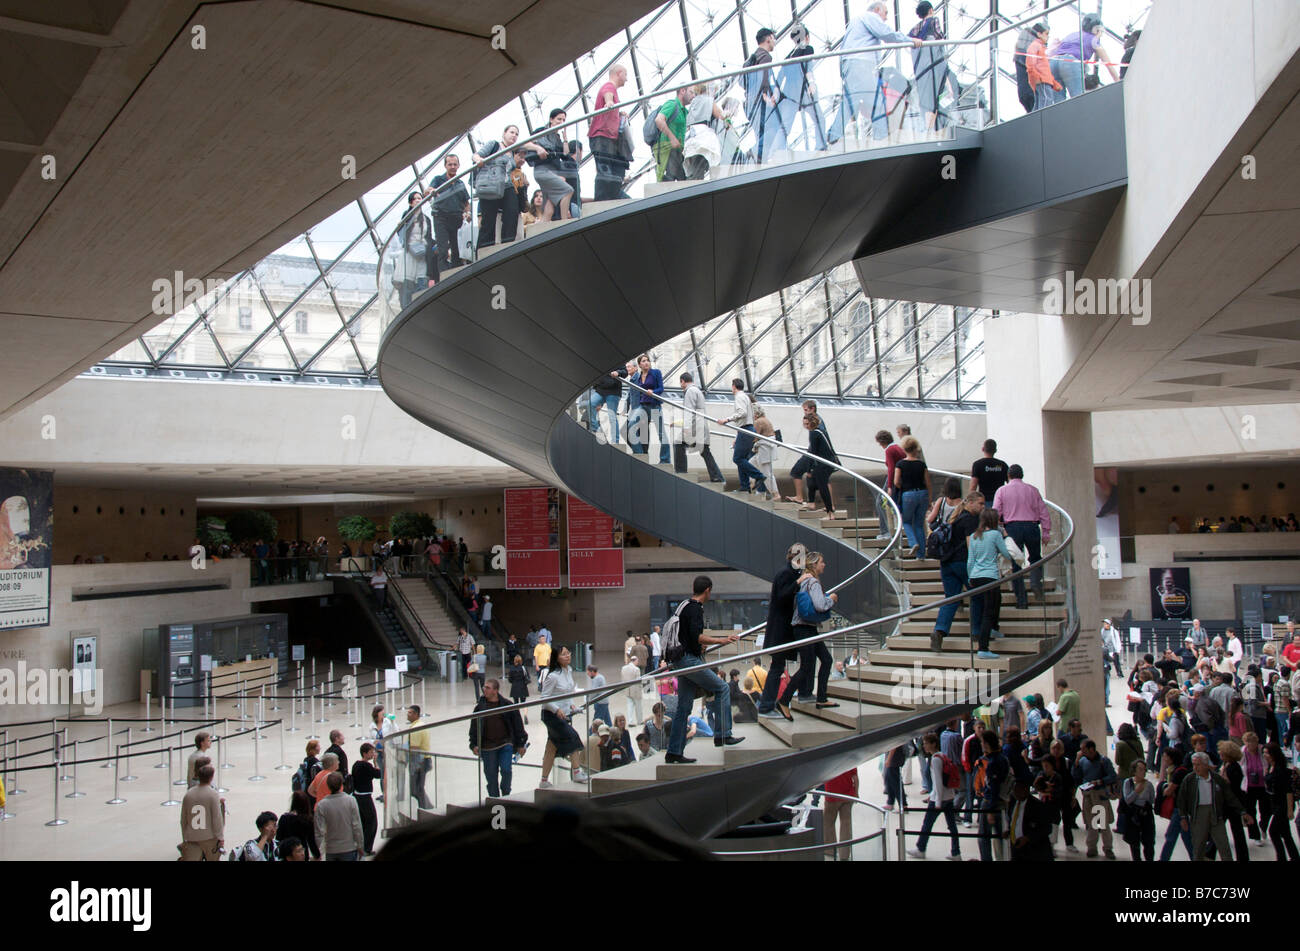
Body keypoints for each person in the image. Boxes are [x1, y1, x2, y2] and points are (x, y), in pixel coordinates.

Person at [664, 576, 744, 763]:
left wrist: (698, 645)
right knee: (722, 687)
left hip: (680, 659)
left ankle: (673, 753)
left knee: (683, 707)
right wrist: (721, 640)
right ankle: (723, 734)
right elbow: (696, 636)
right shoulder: (696, 609)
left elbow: (688, 637)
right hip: (687, 661)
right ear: (708, 590)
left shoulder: (684, 604)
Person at [836, 2, 922, 142]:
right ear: (877, 10)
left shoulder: (856, 23)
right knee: (877, 103)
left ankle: (834, 135)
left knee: (852, 102)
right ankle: (881, 139)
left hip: (851, 65)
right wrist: (910, 40)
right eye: (886, 13)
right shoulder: (870, 16)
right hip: (860, 64)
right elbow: (887, 34)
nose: (886, 17)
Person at [777, 551, 838, 716]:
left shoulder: (804, 581)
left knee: (826, 659)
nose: (824, 565)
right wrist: (831, 599)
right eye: (822, 562)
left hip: (805, 628)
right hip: (805, 628)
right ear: (814, 565)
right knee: (807, 666)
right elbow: (820, 606)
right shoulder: (813, 582)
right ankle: (783, 700)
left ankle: (822, 697)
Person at [758, 543, 805, 719]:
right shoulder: (787, 574)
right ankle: (766, 706)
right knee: (777, 669)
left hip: (781, 630)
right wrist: (798, 583)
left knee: (777, 668)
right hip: (780, 630)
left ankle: (768, 705)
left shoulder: (790, 573)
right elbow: (782, 596)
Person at [992, 465, 1049, 608]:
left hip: (1012, 527)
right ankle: (1036, 583)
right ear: (1022, 475)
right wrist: (1046, 531)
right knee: (1035, 557)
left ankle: (1022, 600)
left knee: (1016, 564)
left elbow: (996, 511)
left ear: (1008, 476)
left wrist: (996, 529)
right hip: (1032, 526)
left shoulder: (1002, 490)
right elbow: (1043, 512)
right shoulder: (1033, 490)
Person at [1177, 751, 1246, 861]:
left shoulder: (1217, 779)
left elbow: (1230, 796)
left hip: (1215, 814)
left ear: (1205, 764)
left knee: (1224, 846)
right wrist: (1183, 817)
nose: (1195, 767)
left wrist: (1243, 811)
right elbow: (1181, 800)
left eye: (1198, 764)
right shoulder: (1189, 780)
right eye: (1193, 764)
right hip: (1198, 815)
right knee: (1198, 847)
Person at [537, 646, 589, 787]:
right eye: (563, 654)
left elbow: (568, 692)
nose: (567, 656)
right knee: (573, 737)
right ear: (557, 658)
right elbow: (544, 698)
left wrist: (572, 705)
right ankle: (577, 771)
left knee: (551, 747)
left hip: (564, 715)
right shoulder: (553, 676)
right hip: (552, 716)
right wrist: (556, 709)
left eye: (568, 653)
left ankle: (544, 780)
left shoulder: (569, 671)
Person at [470, 678, 528, 800]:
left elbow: (518, 725)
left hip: (505, 744)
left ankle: (506, 793)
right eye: (484, 687)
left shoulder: (507, 705)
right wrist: (474, 744)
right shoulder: (480, 708)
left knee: (506, 770)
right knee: (491, 776)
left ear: (495, 691)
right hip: (487, 747)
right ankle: (494, 800)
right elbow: (474, 728)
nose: (484, 689)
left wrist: (521, 743)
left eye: (487, 687)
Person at [966, 508, 1013, 659]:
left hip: (975, 576)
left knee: (995, 601)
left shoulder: (974, 536)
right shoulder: (995, 535)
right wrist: (1006, 537)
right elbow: (1007, 554)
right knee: (988, 611)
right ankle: (983, 647)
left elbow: (970, 560)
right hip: (990, 576)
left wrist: (970, 577)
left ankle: (993, 627)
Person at [909, 732, 961, 860]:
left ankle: (921, 848)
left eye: (926, 743)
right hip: (948, 796)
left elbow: (938, 782)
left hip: (939, 798)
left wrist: (937, 801)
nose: (924, 746)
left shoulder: (936, 759)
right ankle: (956, 852)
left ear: (933, 744)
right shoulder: (942, 756)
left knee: (927, 824)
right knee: (952, 826)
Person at [1049, 13, 1120, 100]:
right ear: (1097, 28)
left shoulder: (1073, 35)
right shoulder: (1093, 40)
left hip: (1053, 63)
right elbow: (1107, 63)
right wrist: (1118, 81)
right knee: (1078, 98)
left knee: (1058, 101)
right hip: (1070, 63)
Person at [521, 110, 573, 221]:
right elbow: (525, 144)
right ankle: (565, 222)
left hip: (552, 172)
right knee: (568, 190)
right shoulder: (541, 131)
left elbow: (565, 154)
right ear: (551, 119)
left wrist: (565, 139)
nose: (561, 122)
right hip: (543, 170)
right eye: (559, 119)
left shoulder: (557, 138)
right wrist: (538, 148)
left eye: (563, 120)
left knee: (549, 209)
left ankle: (540, 231)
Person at [717, 378, 766, 494]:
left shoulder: (739, 397)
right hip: (746, 429)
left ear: (734, 386)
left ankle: (758, 476)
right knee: (742, 459)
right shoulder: (745, 397)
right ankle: (744, 486)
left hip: (745, 429)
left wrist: (727, 419)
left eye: (732, 386)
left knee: (737, 458)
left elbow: (742, 413)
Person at [588, 64, 630, 200]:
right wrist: (609, 102)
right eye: (626, 74)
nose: (627, 79)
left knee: (609, 173)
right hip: (602, 137)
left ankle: (608, 200)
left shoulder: (612, 89)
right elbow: (607, 94)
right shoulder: (610, 86)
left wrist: (619, 113)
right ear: (619, 73)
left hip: (607, 138)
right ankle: (601, 202)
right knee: (605, 172)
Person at [907, 3, 951, 131]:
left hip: (922, 69)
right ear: (931, 10)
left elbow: (908, 41)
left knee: (927, 98)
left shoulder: (915, 28)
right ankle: (937, 127)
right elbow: (939, 36)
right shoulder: (934, 20)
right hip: (934, 65)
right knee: (942, 93)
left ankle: (928, 128)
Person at [1072, 738, 1118, 859]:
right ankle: (1091, 847)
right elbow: (1076, 776)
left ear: (1091, 749)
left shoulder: (1104, 761)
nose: (1081, 752)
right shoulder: (1082, 761)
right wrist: (1076, 763)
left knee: (1103, 824)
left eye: (1083, 750)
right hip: (1088, 796)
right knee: (1090, 823)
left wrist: (1099, 781)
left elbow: (1112, 776)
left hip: (1099, 795)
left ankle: (1108, 848)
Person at [680, 371, 725, 482]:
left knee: (679, 444)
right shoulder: (697, 391)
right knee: (705, 452)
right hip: (701, 427)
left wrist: (686, 427)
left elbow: (688, 410)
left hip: (696, 428)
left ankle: (681, 471)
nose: (680, 386)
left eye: (680, 383)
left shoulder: (690, 391)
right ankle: (717, 477)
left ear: (683, 381)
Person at [741, 28, 778, 163]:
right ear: (768, 38)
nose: (775, 41)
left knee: (760, 134)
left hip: (749, 103)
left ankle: (758, 159)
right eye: (774, 38)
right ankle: (754, 152)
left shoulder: (752, 58)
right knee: (773, 129)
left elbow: (742, 82)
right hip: (759, 102)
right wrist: (765, 95)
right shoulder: (765, 56)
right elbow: (764, 76)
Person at [428, 153, 470, 269]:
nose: (452, 166)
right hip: (441, 217)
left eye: (454, 164)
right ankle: (443, 272)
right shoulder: (438, 179)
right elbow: (428, 190)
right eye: (450, 164)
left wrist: (468, 213)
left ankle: (456, 269)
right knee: (443, 247)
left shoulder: (460, 183)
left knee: (456, 247)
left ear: (458, 166)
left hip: (456, 219)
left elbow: (466, 202)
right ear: (445, 166)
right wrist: (432, 191)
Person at [392, 192, 434, 308]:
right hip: (409, 253)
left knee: (422, 280)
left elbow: (429, 237)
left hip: (422, 252)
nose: (417, 200)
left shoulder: (426, 219)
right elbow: (401, 233)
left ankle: (420, 306)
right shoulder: (407, 216)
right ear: (410, 202)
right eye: (415, 199)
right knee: (408, 282)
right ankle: (407, 307)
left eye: (419, 198)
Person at [312, 771, 364, 862]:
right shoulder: (350, 801)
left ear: (328, 786)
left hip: (331, 849)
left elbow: (319, 831)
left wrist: (319, 851)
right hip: (348, 847)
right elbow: (357, 825)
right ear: (341, 784)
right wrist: (360, 845)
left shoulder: (322, 805)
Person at [628, 353, 670, 463]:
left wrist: (653, 392)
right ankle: (640, 454)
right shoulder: (639, 376)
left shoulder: (656, 373)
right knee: (631, 426)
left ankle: (665, 460)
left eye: (647, 360)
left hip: (655, 406)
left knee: (661, 434)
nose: (646, 362)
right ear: (639, 365)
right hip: (642, 406)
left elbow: (661, 388)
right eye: (643, 361)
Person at [976, 730, 1009, 861]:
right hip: (1001, 800)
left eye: (983, 742)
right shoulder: (1003, 758)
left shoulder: (993, 763)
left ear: (987, 743)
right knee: (1000, 836)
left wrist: (990, 809)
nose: (981, 744)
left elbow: (993, 786)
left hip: (991, 802)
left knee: (984, 836)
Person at [179, 763, 223, 861]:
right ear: (211, 777)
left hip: (192, 837)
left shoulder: (189, 794)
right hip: (209, 837)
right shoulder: (213, 794)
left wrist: (184, 837)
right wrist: (220, 836)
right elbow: (217, 818)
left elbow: (183, 819)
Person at [893, 436, 930, 556]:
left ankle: (913, 542)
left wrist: (903, 486)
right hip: (922, 493)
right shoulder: (921, 464)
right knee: (919, 524)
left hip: (908, 494)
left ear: (904, 449)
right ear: (915, 448)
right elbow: (927, 482)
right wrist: (929, 498)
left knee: (907, 521)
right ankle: (921, 555)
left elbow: (896, 482)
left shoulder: (900, 464)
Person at [1263, 741, 1299, 860]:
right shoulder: (1270, 767)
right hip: (1276, 804)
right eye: (1264, 752)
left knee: (1273, 832)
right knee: (1285, 833)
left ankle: (1281, 857)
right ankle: (1295, 856)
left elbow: (1288, 791)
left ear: (1274, 754)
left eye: (1267, 753)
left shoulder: (1280, 770)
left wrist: (1290, 811)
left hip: (1284, 805)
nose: (1264, 755)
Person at [652, 84, 695, 181]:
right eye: (691, 92)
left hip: (677, 151)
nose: (693, 96)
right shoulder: (672, 104)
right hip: (667, 148)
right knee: (670, 180)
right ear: (682, 91)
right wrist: (672, 138)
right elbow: (659, 120)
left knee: (682, 180)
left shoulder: (685, 112)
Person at [800, 413, 840, 516]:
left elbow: (812, 452)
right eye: (804, 424)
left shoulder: (814, 433)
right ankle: (811, 502)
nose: (806, 426)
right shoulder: (820, 431)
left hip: (824, 464)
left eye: (807, 424)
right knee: (812, 481)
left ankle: (830, 512)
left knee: (823, 487)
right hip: (827, 461)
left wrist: (809, 469)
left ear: (812, 423)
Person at [1122, 760, 1157, 861]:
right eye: (1140, 769)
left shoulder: (1149, 785)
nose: (1143, 772)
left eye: (1144, 769)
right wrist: (1137, 791)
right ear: (1134, 771)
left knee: (1149, 841)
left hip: (1146, 815)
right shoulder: (1128, 783)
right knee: (1134, 842)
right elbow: (1127, 800)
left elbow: (1151, 800)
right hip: (1133, 815)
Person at [351, 743, 382, 855]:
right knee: (371, 822)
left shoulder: (356, 764)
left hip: (357, 796)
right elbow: (378, 774)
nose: (373, 754)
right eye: (371, 752)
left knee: (363, 822)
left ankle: (361, 846)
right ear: (365, 753)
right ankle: (367, 848)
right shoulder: (366, 766)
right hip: (365, 797)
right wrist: (375, 763)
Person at [823, 766, 859, 860]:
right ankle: (845, 854)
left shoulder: (829, 759)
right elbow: (855, 777)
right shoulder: (850, 758)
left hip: (832, 795)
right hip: (847, 795)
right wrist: (856, 793)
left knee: (828, 823)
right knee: (846, 824)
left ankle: (830, 850)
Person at [404, 705, 433, 810]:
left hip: (419, 761)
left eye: (410, 712)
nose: (408, 714)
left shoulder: (416, 728)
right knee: (418, 788)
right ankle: (427, 807)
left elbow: (414, 748)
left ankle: (426, 808)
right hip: (422, 760)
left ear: (416, 714)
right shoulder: (419, 725)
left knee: (416, 789)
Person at [752, 409, 778, 501]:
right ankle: (753, 483)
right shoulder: (764, 419)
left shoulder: (759, 421)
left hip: (765, 448)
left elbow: (754, 436)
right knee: (750, 464)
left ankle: (775, 494)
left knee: (766, 473)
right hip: (765, 446)